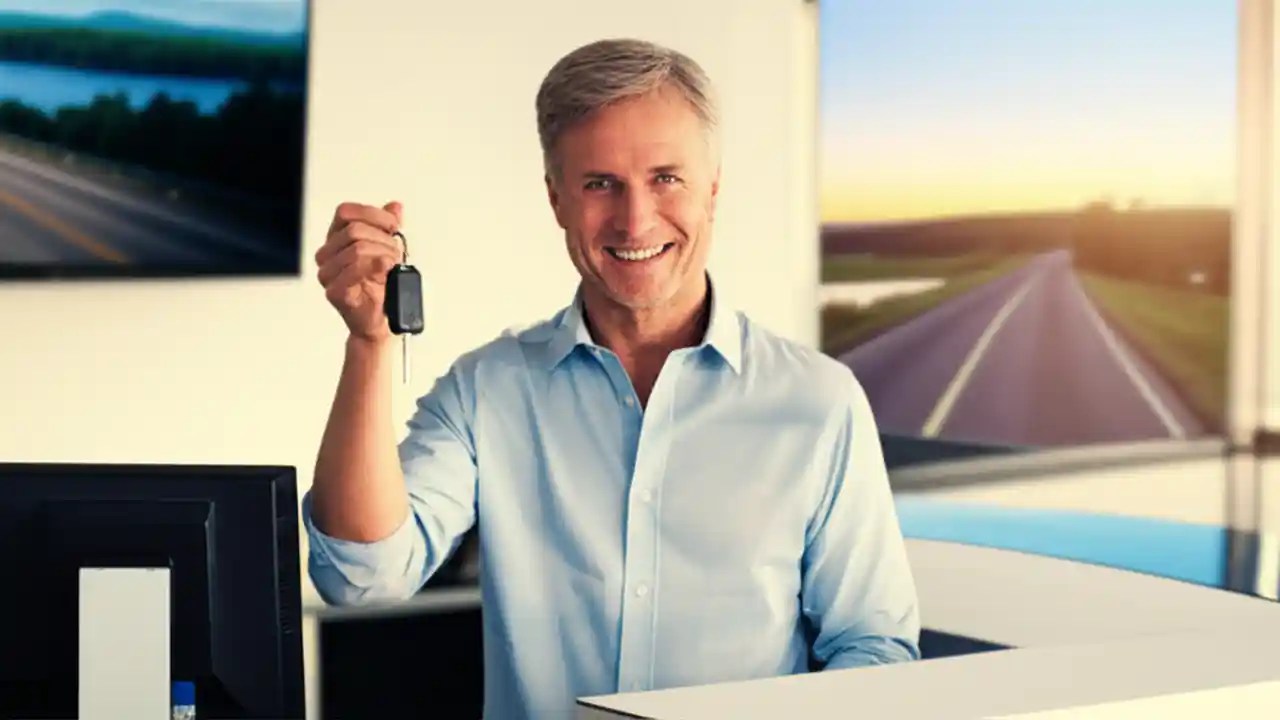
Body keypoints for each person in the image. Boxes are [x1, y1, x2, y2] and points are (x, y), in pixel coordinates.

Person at [305, 37, 920, 720]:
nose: (635, 220)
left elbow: (874, 647)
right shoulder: (489, 390)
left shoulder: (818, 402)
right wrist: (369, 342)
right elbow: (361, 578)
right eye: (601, 183)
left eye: (666, 178)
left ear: (713, 188)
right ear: (556, 199)